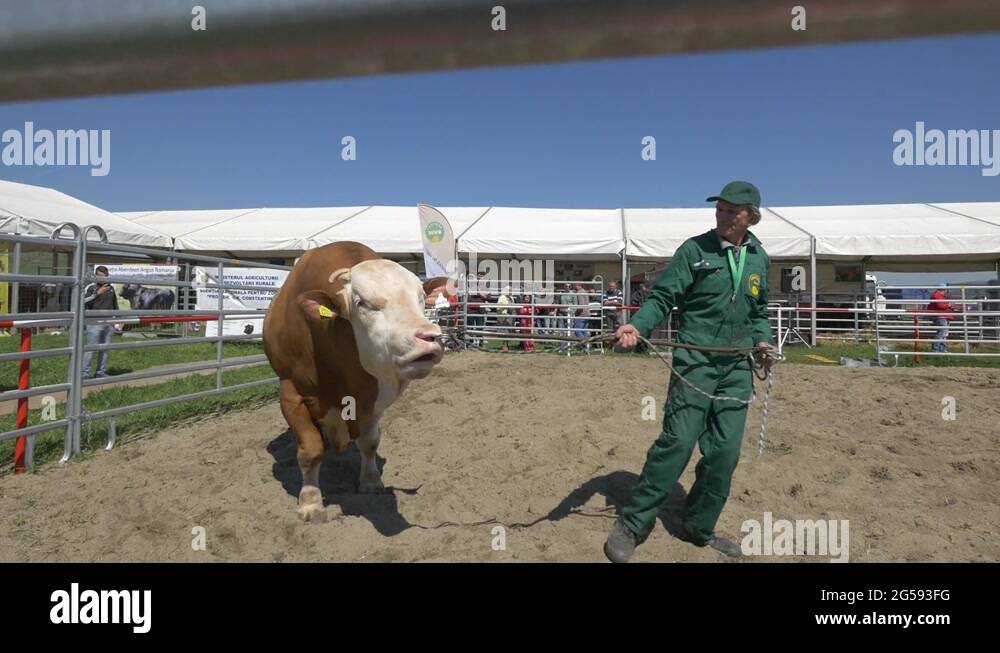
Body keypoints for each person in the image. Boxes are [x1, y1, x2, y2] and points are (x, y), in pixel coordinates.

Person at [604, 181, 778, 563]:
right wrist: (639, 326)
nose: (724, 216)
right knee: (678, 443)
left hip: (737, 367)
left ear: (752, 217)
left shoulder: (760, 258)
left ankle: (698, 527)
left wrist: (763, 342)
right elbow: (663, 296)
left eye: (734, 211)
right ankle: (633, 525)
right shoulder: (694, 250)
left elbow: (759, 312)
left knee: (724, 455)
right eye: (721, 209)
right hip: (695, 363)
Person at [82, 265, 117, 379]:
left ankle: (100, 372)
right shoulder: (91, 288)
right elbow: (83, 302)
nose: (103, 278)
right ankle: (85, 373)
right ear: (96, 276)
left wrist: (117, 320)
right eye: (100, 276)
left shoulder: (111, 288)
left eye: (105, 276)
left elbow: (114, 305)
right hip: (94, 321)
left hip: (108, 321)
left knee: (105, 349)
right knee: (91, 348)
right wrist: (97, 293)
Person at [927, 283, 955, 353]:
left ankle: (942, 349)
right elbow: (940, 306)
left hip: (942, 316)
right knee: (942, 333)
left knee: (943, 333)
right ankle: (936, 349)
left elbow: (941, 305)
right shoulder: (937, 295)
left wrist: (948, 305)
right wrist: (948, 305)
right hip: (940, 316)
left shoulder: (939, 296)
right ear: (944, 289)